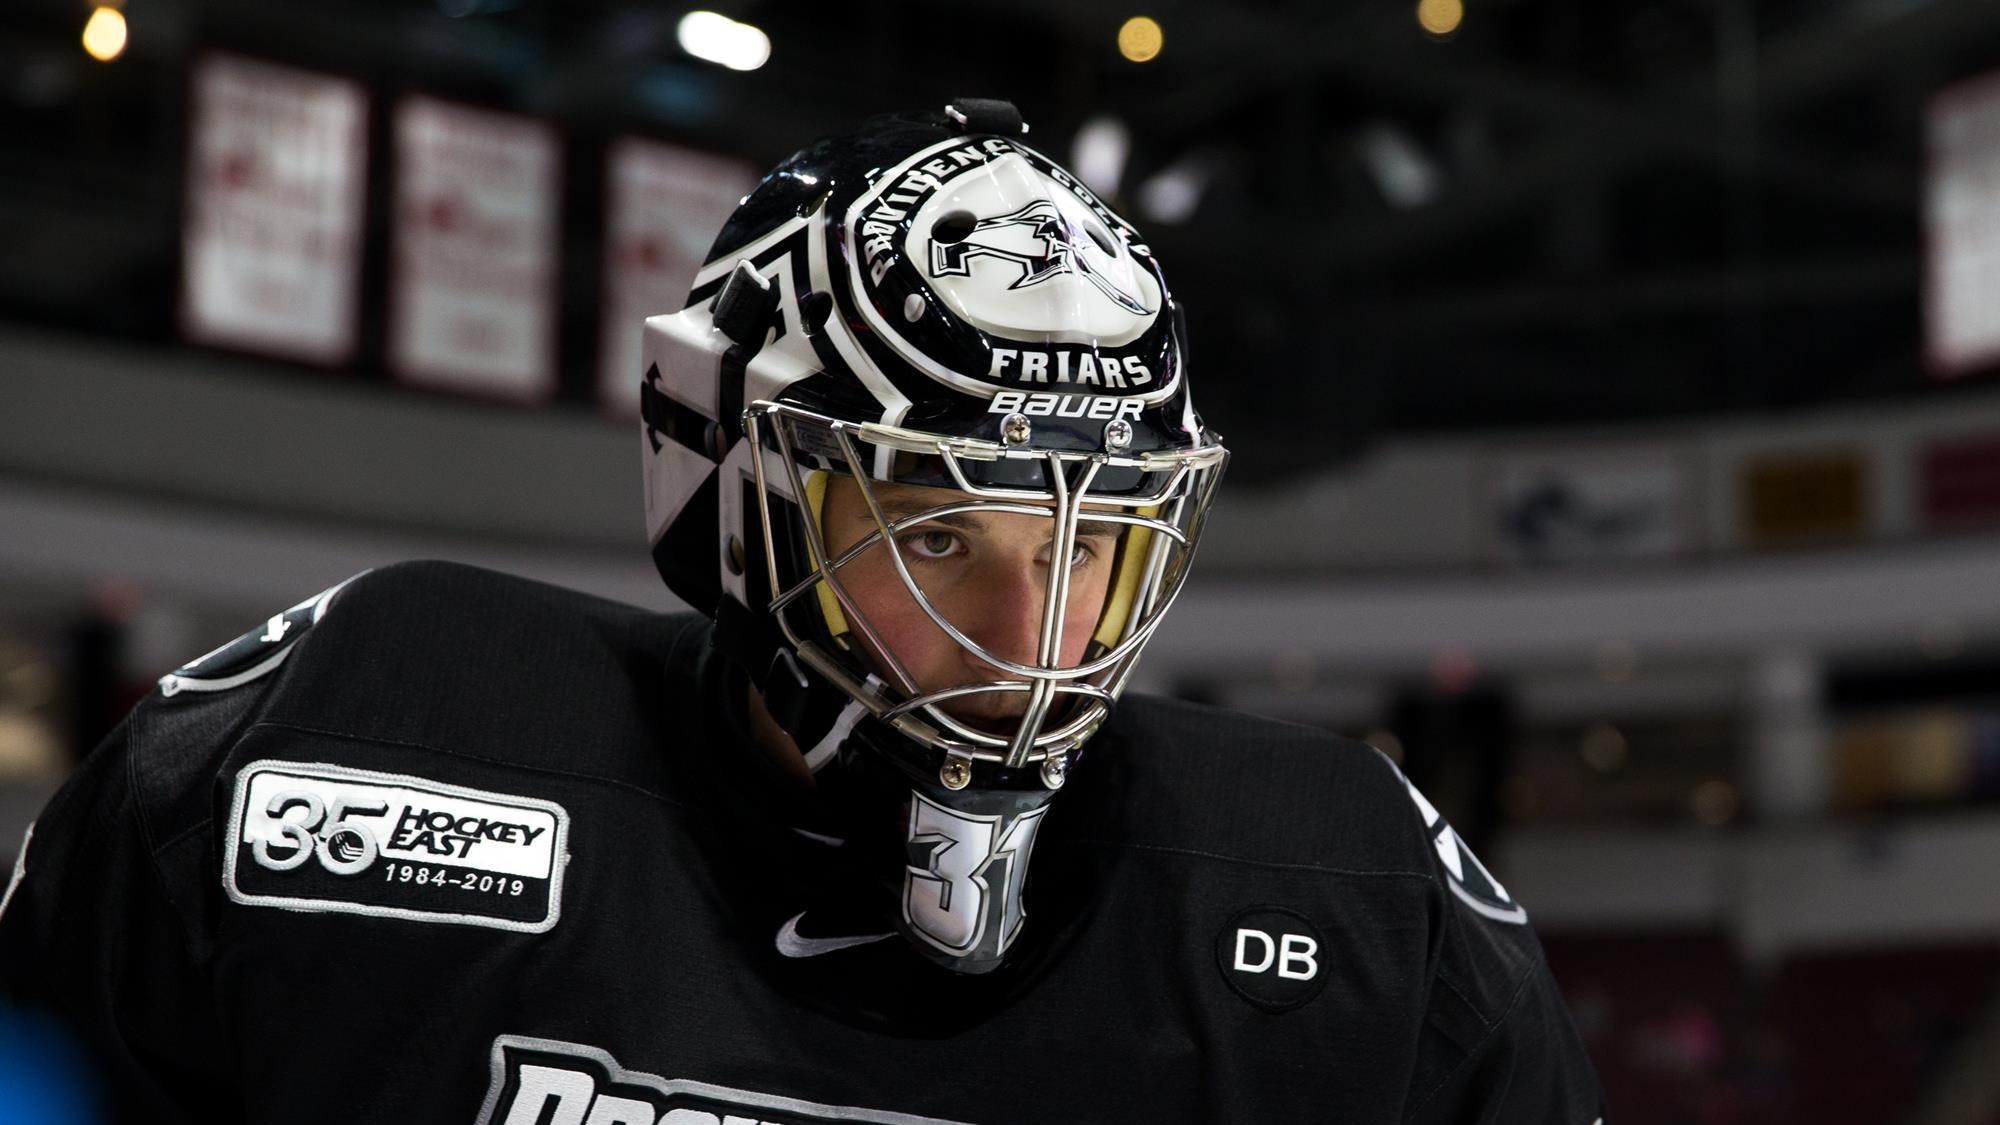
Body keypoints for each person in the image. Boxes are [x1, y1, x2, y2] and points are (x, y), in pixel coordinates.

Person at [0, 100, 1606, 1123]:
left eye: (1101, 539)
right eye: (939, 532)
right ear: (733, 486)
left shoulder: (1366, 917)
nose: (1039, 631)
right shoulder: (347, 752)